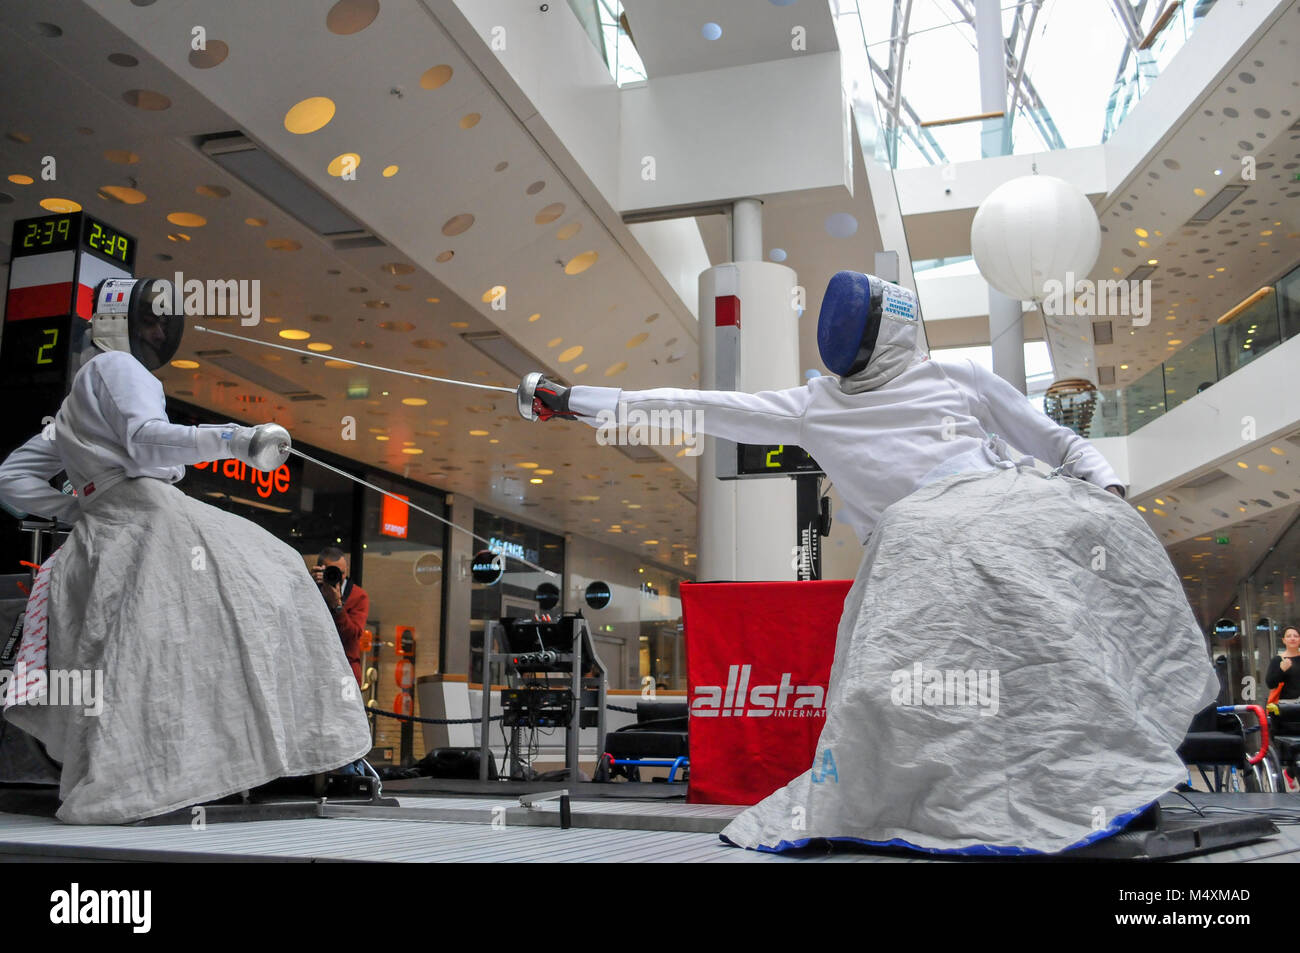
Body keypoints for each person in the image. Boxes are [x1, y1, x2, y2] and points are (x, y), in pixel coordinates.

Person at [526, 270, 1218, 855]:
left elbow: (1055, 441)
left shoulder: (955, 375)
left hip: (1008, 513)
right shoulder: (814, 406)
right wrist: (576, 401)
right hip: (926, 550)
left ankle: (1112, 773)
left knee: (1080, 606)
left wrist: (1107, 491)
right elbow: (695, 407)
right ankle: (1022, 790)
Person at [0, 278, 371, 824]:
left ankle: (150, 775)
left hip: (110, 534)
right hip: (151, 522)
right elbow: (148, 438)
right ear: (117, 318)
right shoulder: (120, 369)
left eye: (163, 322)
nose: (157, 331)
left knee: (144, 661)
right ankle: (294, 742)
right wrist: (236, 441)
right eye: (149, 319)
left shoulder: (73, 403)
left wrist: (85, 506)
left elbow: (11, 477)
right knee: (281, 569)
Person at [312, 546, 368, 688]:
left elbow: (353, 635)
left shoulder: (358, 596)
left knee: (348, 709)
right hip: (316, 669)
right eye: (332, 571)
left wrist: (337, 604)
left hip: (346, 671)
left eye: (342, 573)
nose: (338, 577)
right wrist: (308, 585)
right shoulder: (310, 590)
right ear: (320, 570)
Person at [1266, 625, 1300, 701]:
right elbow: (1270, 684)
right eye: (1288, 636)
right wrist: (1281, 670)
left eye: (1296, 636)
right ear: (1283, 640)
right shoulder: (1278, 660)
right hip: (1286, 705)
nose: (1292, 638)